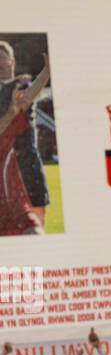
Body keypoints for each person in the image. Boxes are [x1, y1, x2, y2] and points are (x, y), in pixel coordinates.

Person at [0, 42, 50, 234]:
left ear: (11, 61)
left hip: (26, 163)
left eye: (1, 56)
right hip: (3, 165)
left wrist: (45, 73)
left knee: (36, 226)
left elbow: (26, 99)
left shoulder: (22, 85)